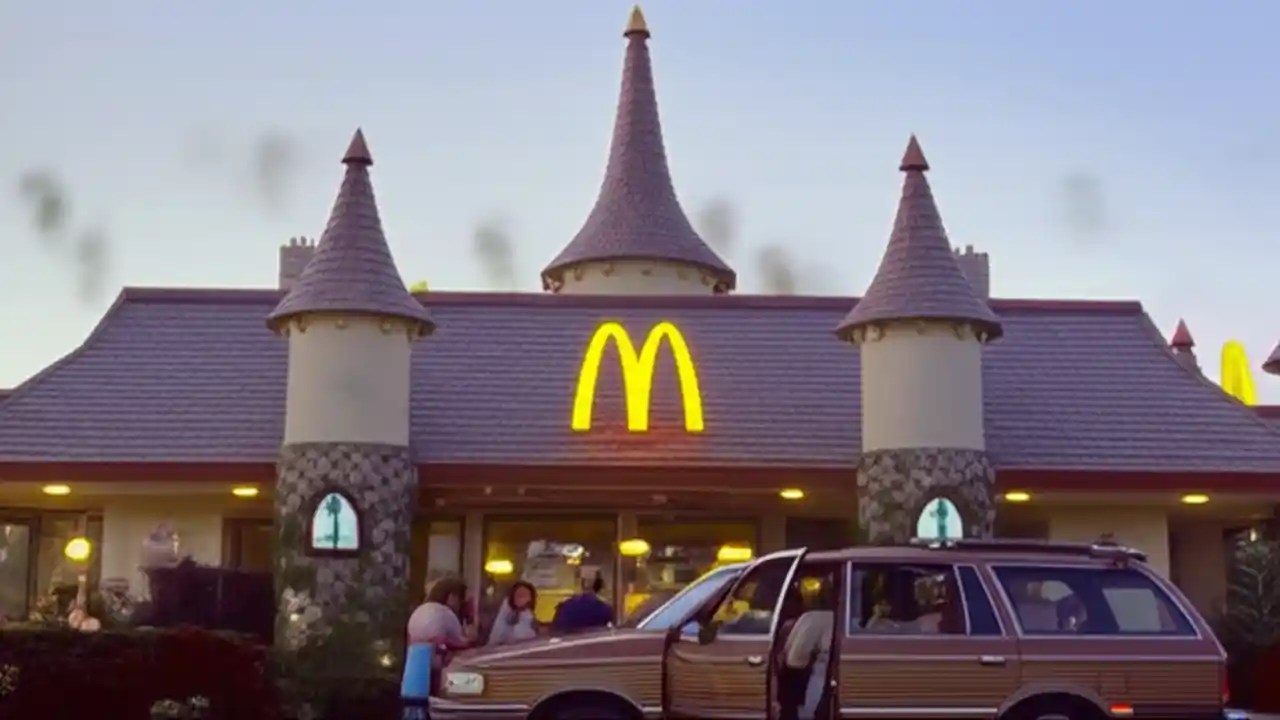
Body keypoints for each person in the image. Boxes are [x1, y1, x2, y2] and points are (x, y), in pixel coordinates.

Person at [407, 577, 475, 652]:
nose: (460, 604)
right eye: (460, 598)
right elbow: (460, 641)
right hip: (437, 658)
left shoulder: (419, 611)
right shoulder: (445, 614)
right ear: (452, 597)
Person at [487, 580, 540, 646]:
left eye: (525, 595)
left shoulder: (530, 615)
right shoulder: (507, 610)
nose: (522, 598)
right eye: (519, 595)